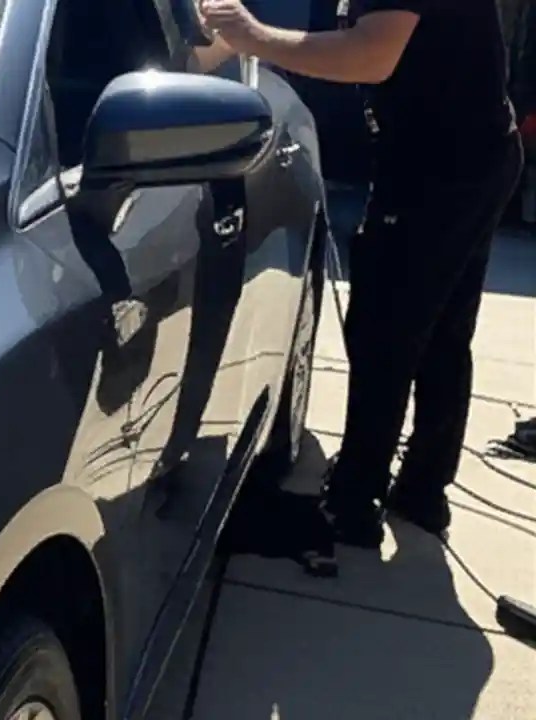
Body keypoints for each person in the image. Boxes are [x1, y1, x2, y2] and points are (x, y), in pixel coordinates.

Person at [199, 0, 524, 548]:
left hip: (443, 170)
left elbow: (372, 55)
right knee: (441, 331)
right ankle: (422, 491)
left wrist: (254, 37)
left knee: (384, 329)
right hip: (475, 152)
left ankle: (353, 500)